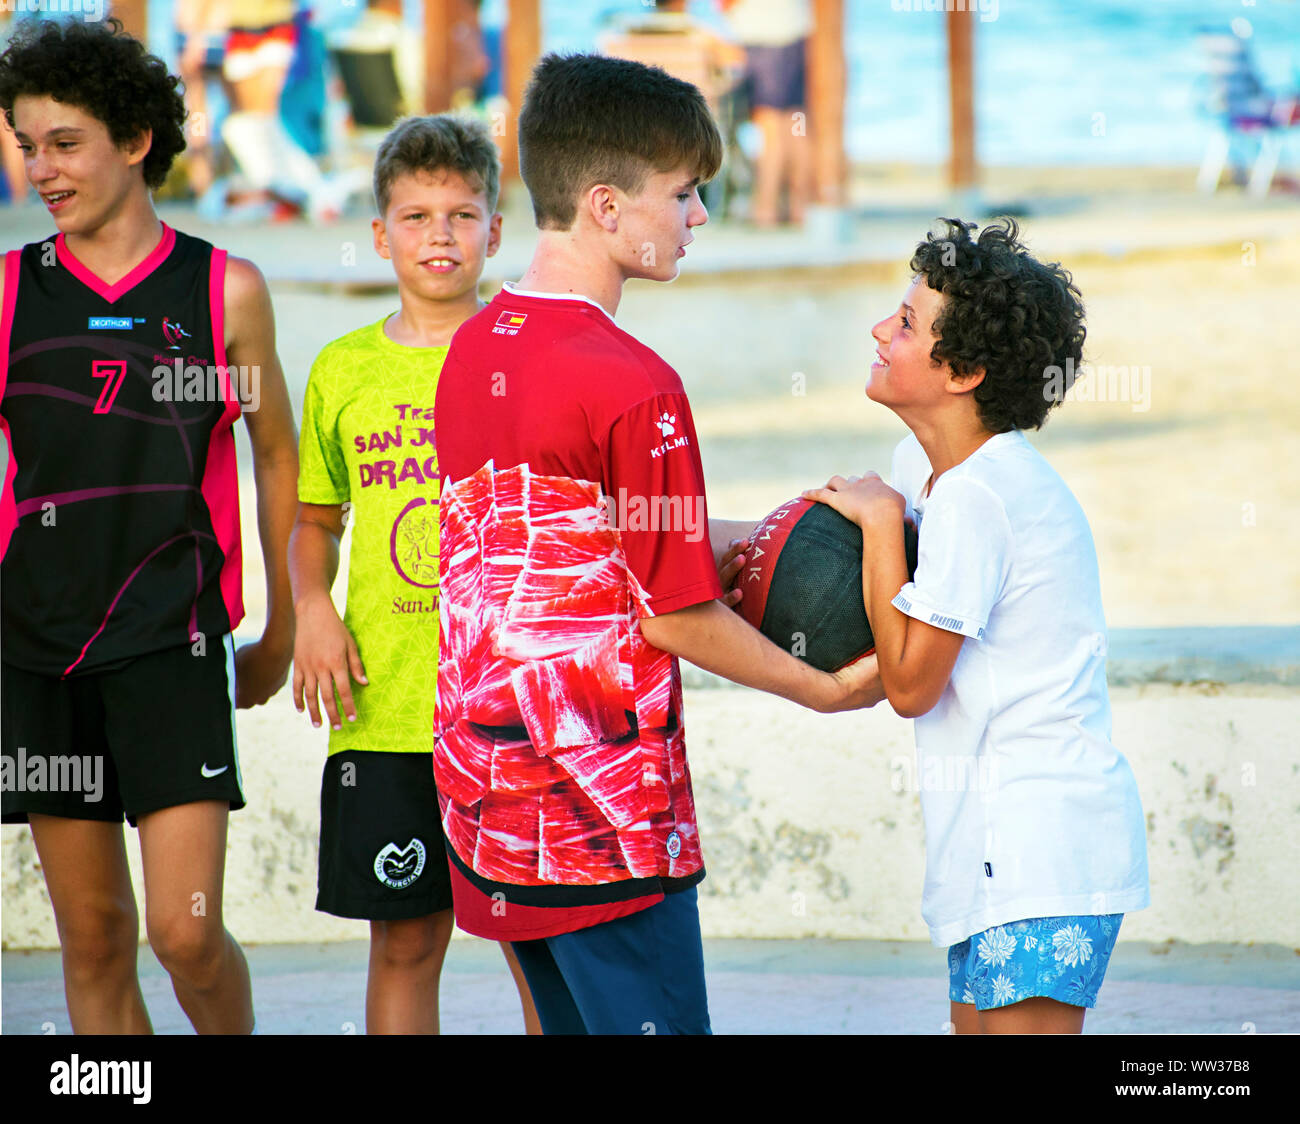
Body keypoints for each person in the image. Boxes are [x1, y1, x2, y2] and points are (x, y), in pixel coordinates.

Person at [432, 52, 883, 1036]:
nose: (699, 216)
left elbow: (553, 540)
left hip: (490, 801)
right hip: (603, 816)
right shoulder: (635, 381)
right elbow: (674, 612)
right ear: (606, 205)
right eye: (683, 193)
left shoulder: (474, 345)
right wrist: (824, 687)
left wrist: (771, 529)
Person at [0, 18, 298, 1033]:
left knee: (183, 930)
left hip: (174, 641)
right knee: (90, 937)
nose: (41, 167)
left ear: (134, 139)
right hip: (37, 651)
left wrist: (286, 625)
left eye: (65, 142)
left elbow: (274, 455)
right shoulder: (6, 295)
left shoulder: (225, 291)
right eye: (25, 142)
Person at [803, 217, 1150, 1034]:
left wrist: (883, 525)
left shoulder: (975, 496)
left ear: (964, 372)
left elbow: (913, 685)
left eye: (907, 323)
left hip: (1043, 847)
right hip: (992, 849)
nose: (881, 331)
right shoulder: (928, 474)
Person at [289, 113, 539, 1035]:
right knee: (403, 943)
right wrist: (311, 605)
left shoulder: (524, 355)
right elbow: (315, 520)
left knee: (534, 943)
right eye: (416, 215)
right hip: (385, 709)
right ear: (380, 233)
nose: (440, 234)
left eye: (462, 215)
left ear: (495, 232)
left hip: (512, 709)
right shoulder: (341, 369)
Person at [719, 0, 814, 226]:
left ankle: (767, 208)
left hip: (764, 40)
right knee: (795, 125)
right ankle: (799, 206)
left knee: (772, 127)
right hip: (795, 36)